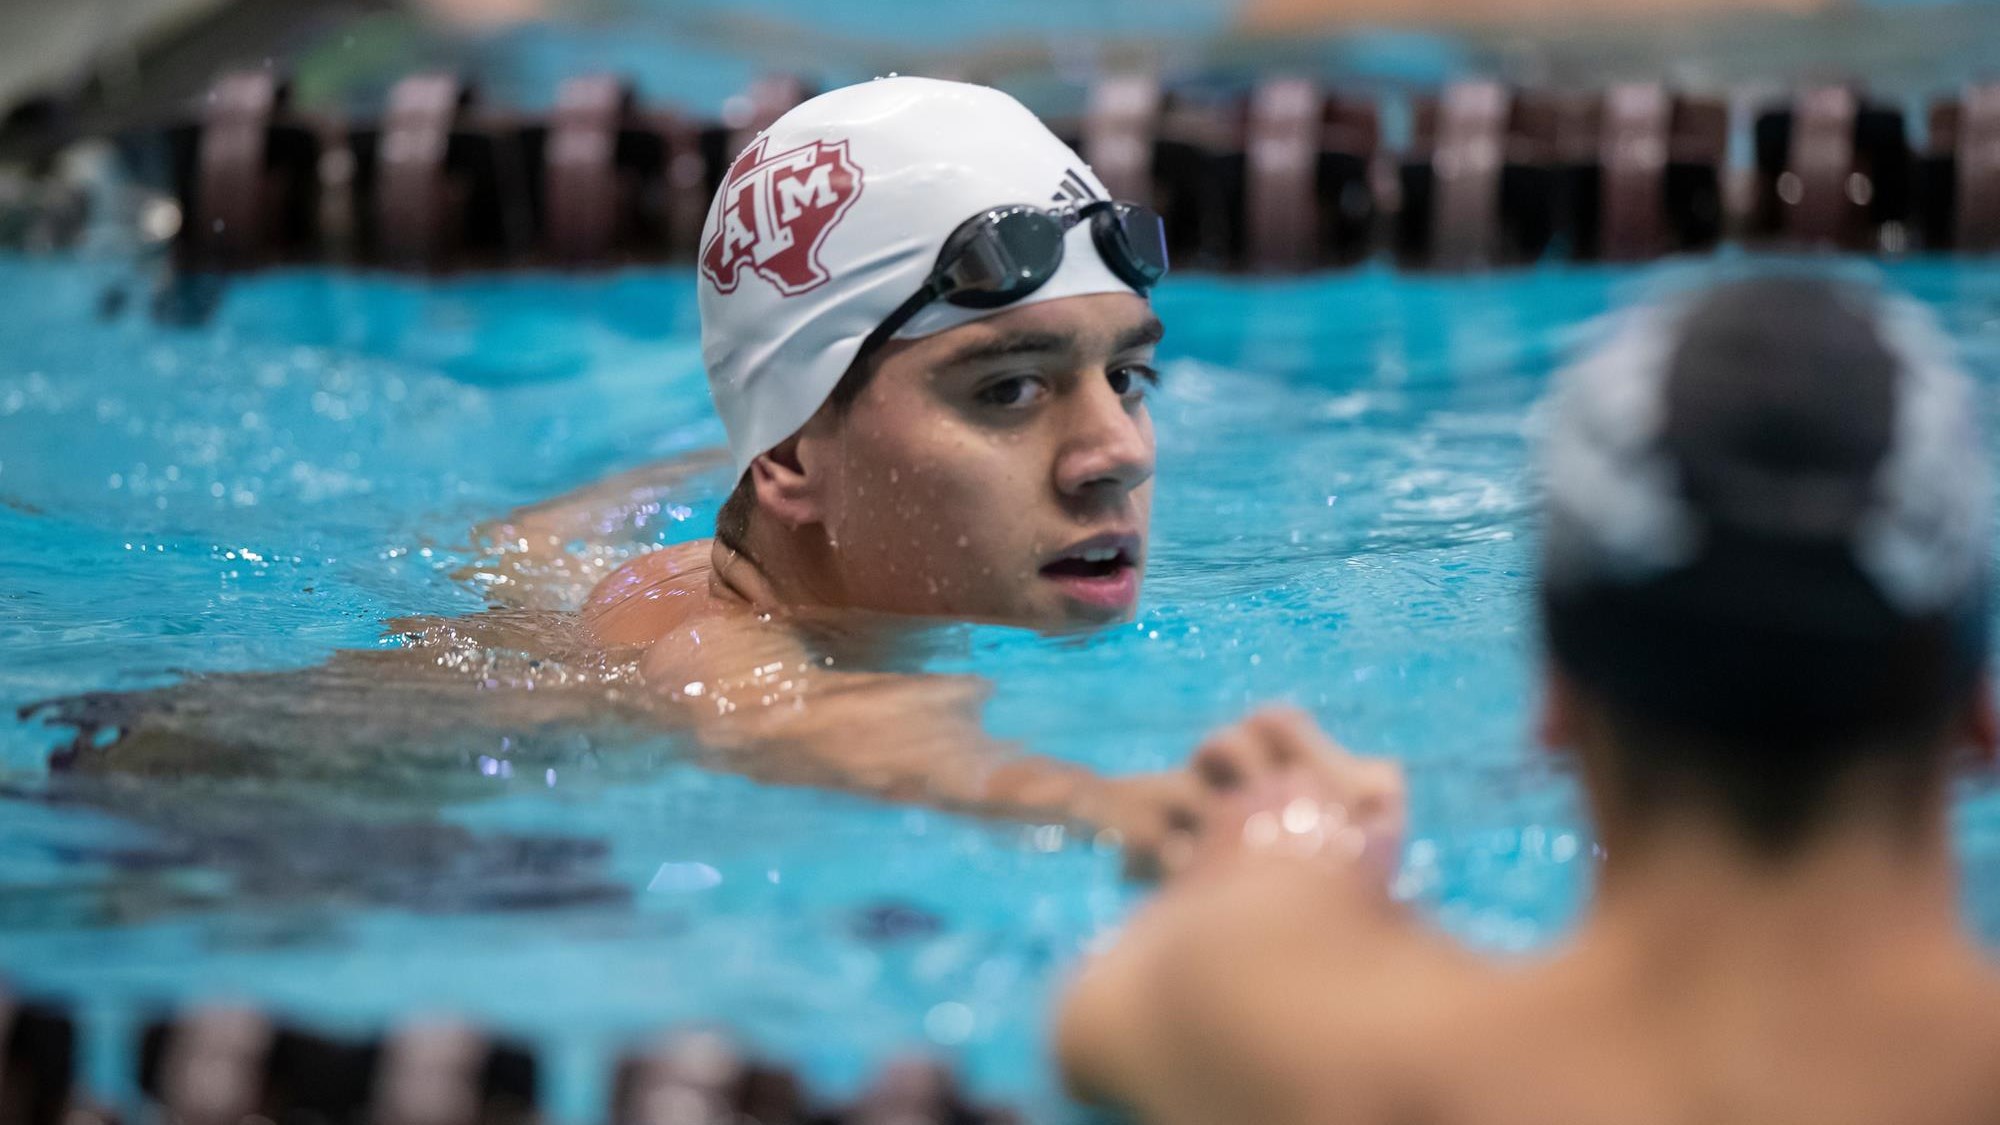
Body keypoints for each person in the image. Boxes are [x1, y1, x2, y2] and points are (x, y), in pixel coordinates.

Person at [32, 78, 1211, 868]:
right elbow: (818, 735)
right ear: (793, 453)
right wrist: (1121, 811)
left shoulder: (666, 577)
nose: (1116, 451)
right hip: (208, 841)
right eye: (1006, 389)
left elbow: (520, 550)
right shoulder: (724, 650)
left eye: (1128, 378)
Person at [1057, 275, 2000, 1122]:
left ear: (1555, 699)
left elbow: (1107, 1013)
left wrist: (1282, 851)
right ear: (1979, 713)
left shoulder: (1357, 1069)